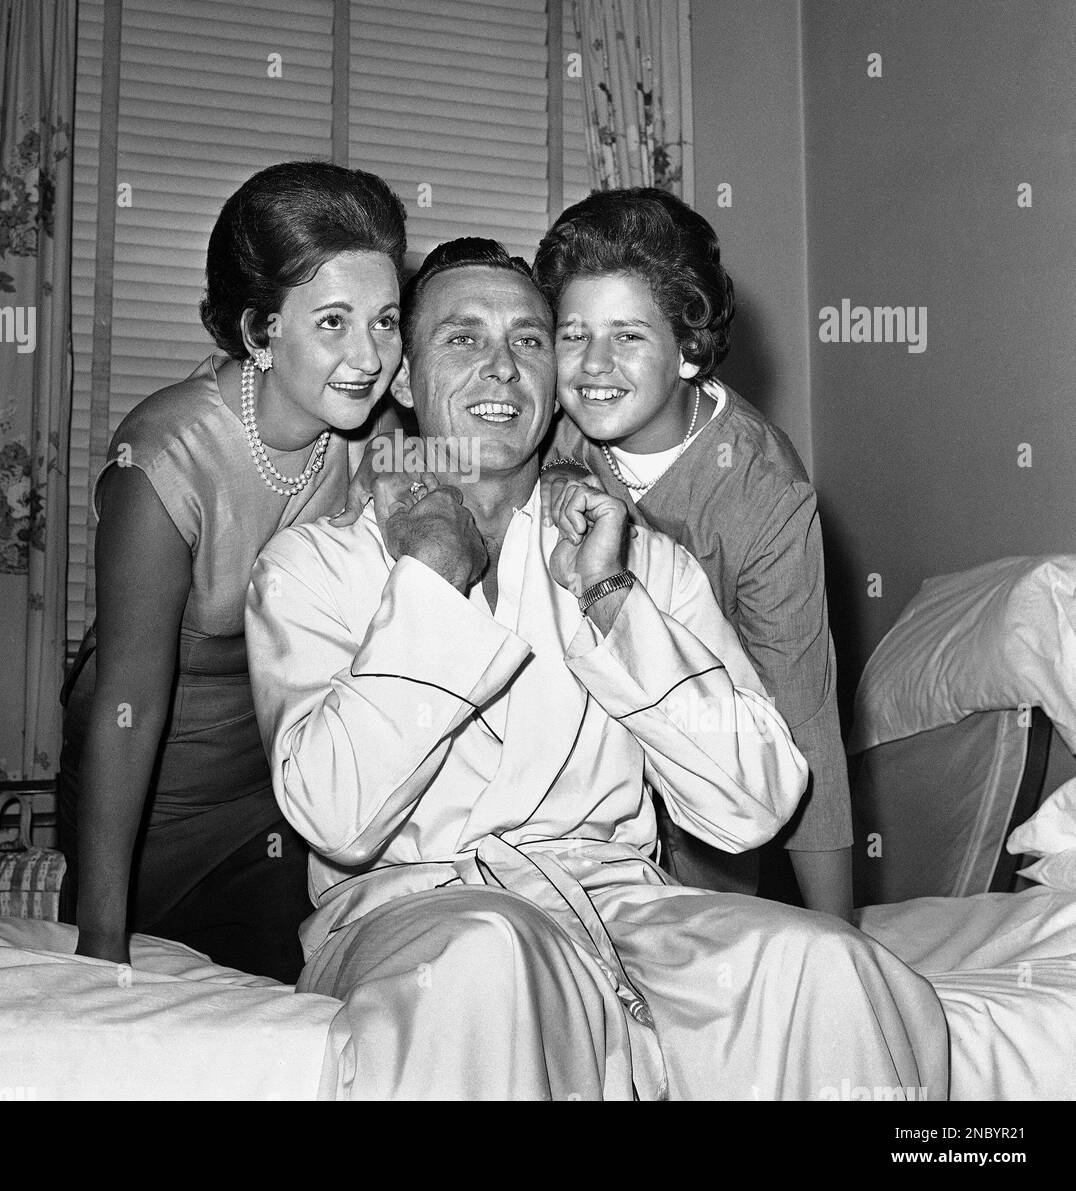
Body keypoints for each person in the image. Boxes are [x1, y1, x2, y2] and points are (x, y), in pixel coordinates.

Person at [245, 238, 947, 1099]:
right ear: (401, 380)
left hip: (621, 909)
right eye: (462, 340)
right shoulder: (311, 567)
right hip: (413, 919)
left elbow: (756, 801)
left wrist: (611, 598)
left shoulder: (636, 560)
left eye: (530, 340)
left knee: (824, 965)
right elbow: (337, 816)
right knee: (488, 955)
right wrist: (429, 577)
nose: (502, 369)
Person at [59, 161, 407, 982]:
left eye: (386, 321)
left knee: (290, 1010)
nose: (370, 355)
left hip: (270, 798)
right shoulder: (162, 459)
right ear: (259, 330)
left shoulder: (369, 430)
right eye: (334, 322)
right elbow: (127, 703)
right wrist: (99, 942)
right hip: (146, 798)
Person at [531, 189, 853, 918]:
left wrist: (839, 935)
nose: (592, 364)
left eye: (629, 336)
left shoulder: (764, 496)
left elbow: (802, 729)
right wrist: (559, 474)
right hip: (568, 798)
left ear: (689, 350)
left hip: (706, 779)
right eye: (572, 333)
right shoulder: (548, 422)